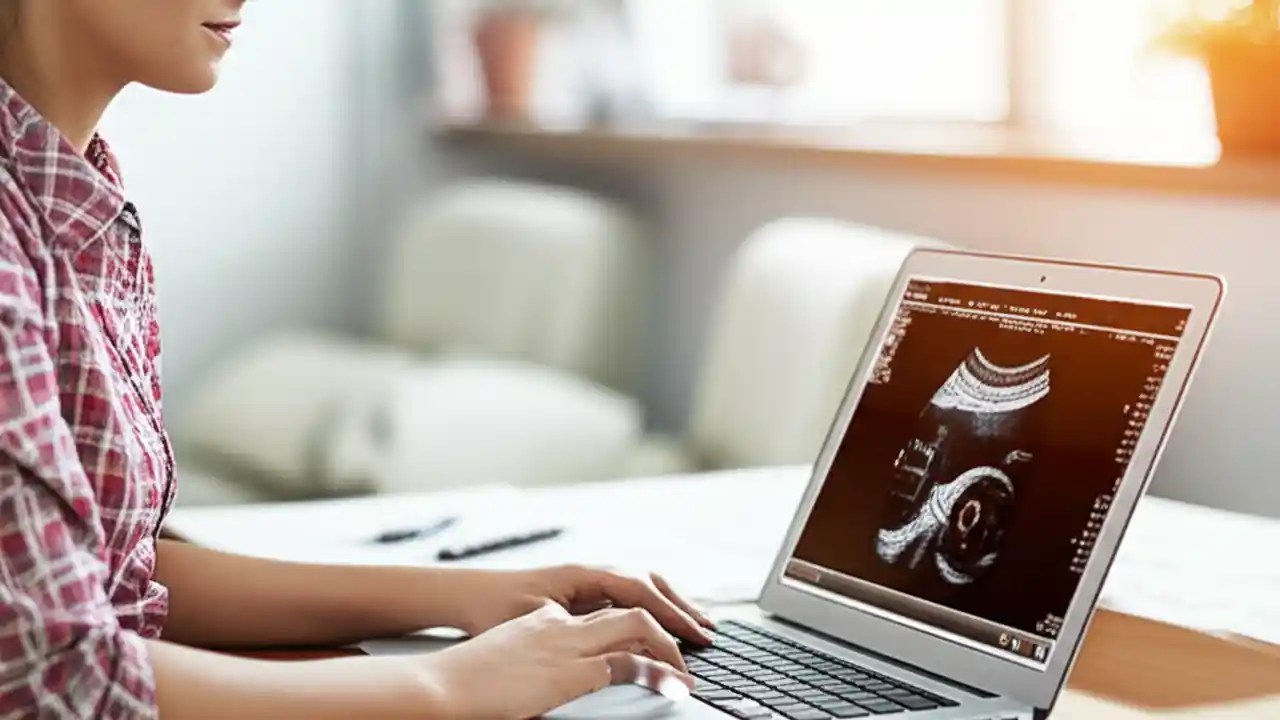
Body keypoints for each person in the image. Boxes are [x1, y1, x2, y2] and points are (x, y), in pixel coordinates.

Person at [0, 1, 712, 718]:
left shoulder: (72, 193)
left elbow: (124, 578)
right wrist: (453, 685)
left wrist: (472, 595)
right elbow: (54, 676)